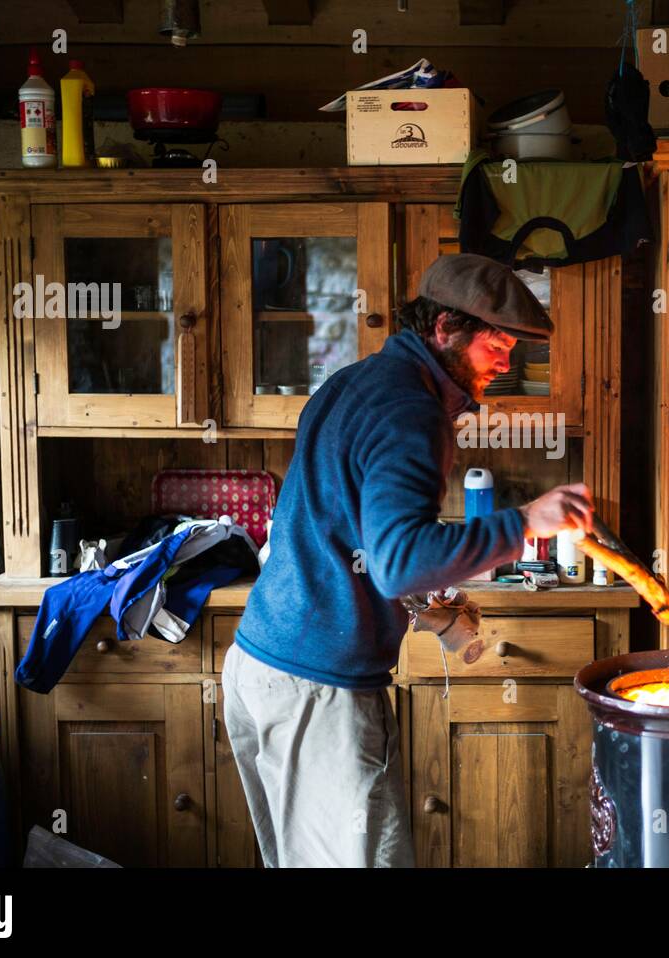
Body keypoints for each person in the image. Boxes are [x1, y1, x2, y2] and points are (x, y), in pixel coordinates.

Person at [222, 253, 594, 867]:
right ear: (444, 327)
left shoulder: (353, 381)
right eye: (495, 344)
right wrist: (526, 521)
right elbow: (397, 561)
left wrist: (422, 600)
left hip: (261, 665)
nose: (505, 364)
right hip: (319, 690)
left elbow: (342, 531)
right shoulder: (412, 412)